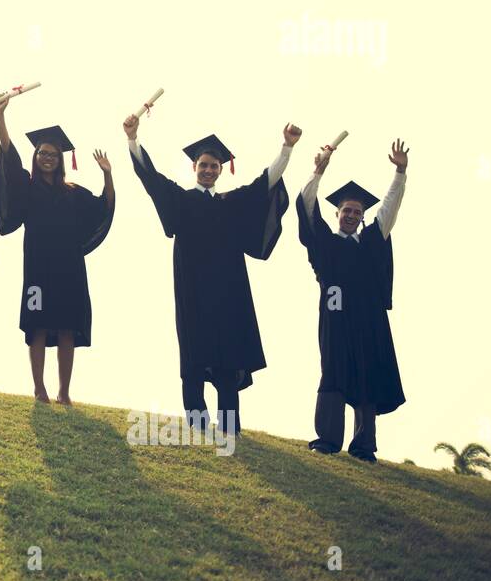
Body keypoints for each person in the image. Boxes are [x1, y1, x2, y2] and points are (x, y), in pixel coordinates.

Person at [126, 113, 300, 435]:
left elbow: (265, 183)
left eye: (213, 166)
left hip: (228, 293)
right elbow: (151, 179)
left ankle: (230, 428)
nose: (208, 170)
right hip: (192, 290)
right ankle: (197, 423)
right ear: (194, 167)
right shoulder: (181, 200)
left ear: (221, 169)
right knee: (193, 356)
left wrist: (286, 149)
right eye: (203, 164)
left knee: (228, 358)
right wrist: (133, 140)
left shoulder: (231, 203)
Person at [0, 94, 115, 405]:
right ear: (36, 157)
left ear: (60, 160)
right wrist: (0, 117)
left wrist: (107, 175)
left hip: (69, 269)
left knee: (66, 328)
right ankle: (39, 389)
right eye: (42, 153)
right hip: (37, 268)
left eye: (52, 154)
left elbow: (103, 207)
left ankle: (64, 391)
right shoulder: (26, 186)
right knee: (37, 325)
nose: (47, 157)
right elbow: (9, 155)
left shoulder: (74, 193)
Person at [298, 140, 409, 463]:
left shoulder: (372, 241)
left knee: (367, 376)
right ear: (337, 214)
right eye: (346, 210)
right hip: (334, 319)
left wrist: (400, 172)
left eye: (357, 212)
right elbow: (306, 207)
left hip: (368, 321)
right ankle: (328, 440)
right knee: (332, 374)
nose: (351, 215)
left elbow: (390, 207)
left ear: (362, 217)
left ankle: (363, 446)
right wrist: (317, 172)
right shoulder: (326, 243)